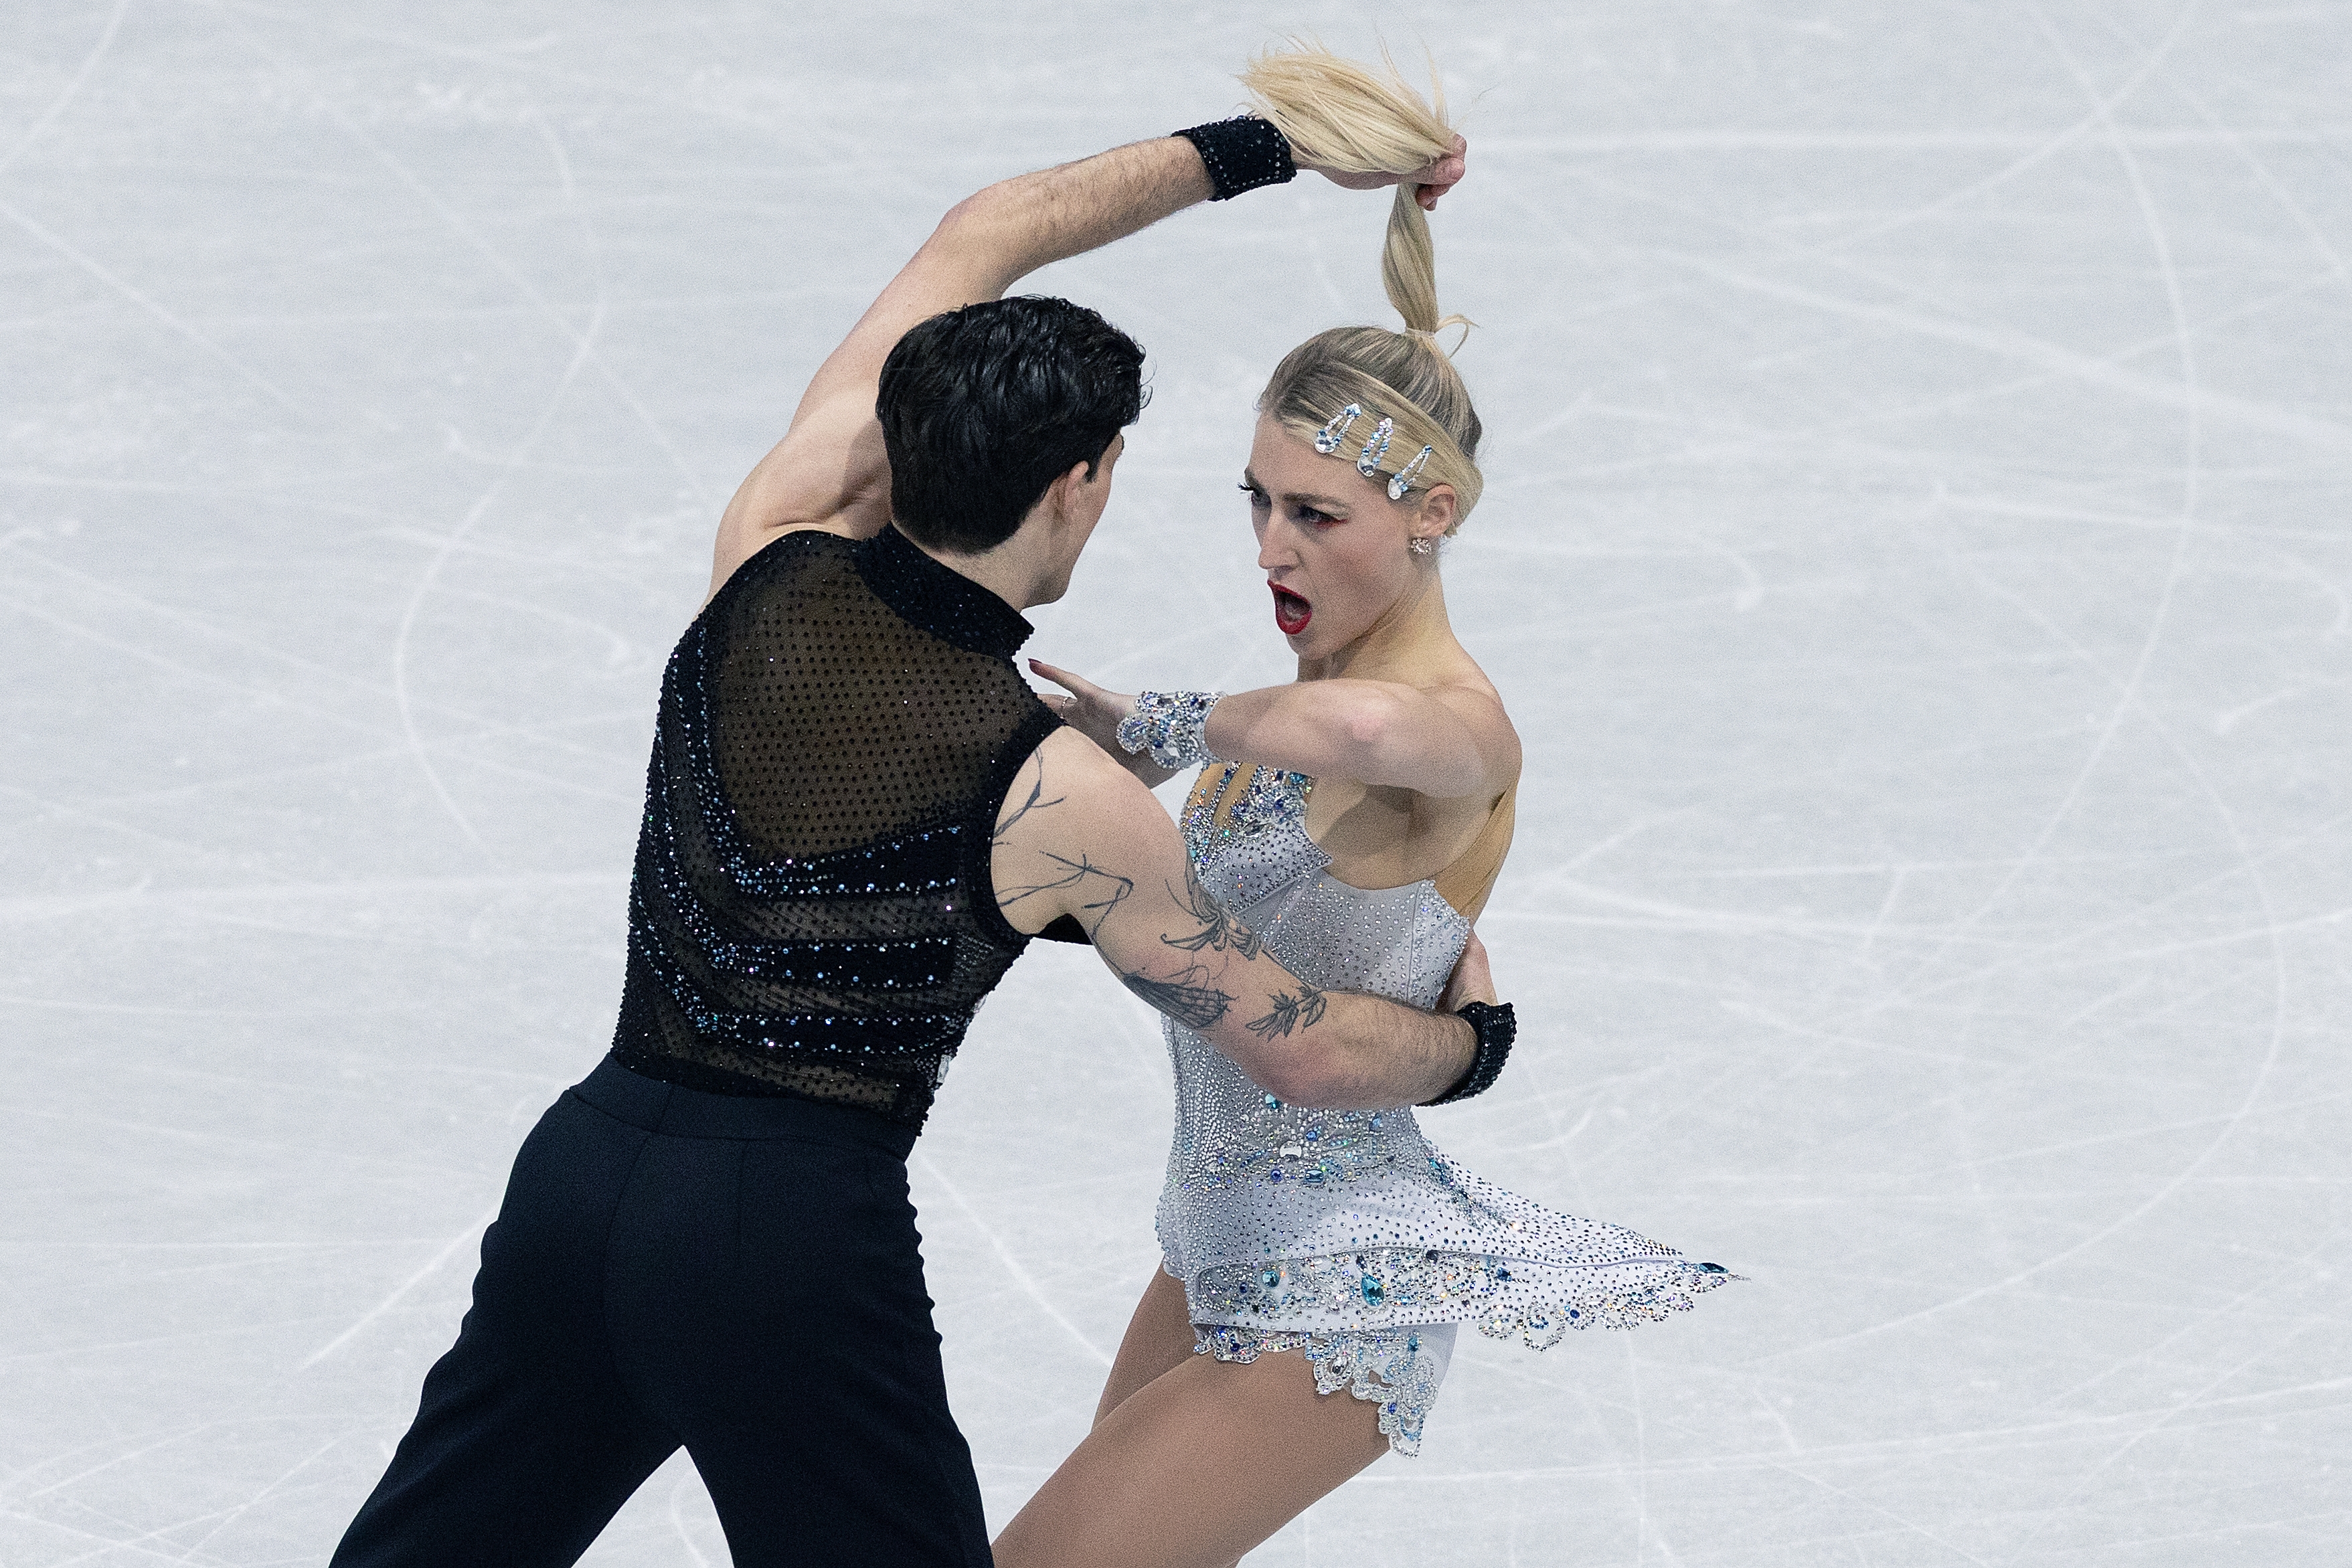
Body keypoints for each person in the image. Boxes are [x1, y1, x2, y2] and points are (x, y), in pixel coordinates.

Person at [324, 48, 1508, 1568]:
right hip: (786, 1241)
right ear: (1081, 486)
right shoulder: (1062, 792)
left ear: (899, 440)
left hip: (580, 1173)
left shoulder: (767, 547)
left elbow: (986, 231)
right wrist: (1467, 1048)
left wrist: (1271, 143)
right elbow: (1321, 1050)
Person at [994, 51, 1738, 1568]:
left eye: (1315, 514)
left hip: (1345, 1283)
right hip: (1208, 1244)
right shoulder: (1288, 698)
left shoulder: (1450, 728)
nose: (1271, 543)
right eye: (1254, 500)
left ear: (1431, 515)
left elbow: (1372, 725)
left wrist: (1159, 723)